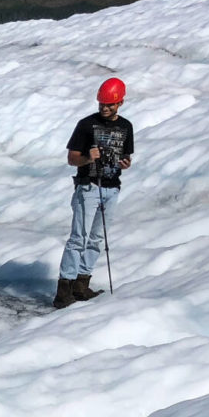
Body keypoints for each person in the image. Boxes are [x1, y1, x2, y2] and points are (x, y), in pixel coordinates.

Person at [55, 78, 134, 309]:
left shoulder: (126, 127)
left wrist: (125, 164)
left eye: (109, 105)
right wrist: (89, 158)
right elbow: (72, 159)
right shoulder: (86, 125)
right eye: (101, 104)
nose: (104, 108)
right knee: (78, 237)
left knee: (97, 238)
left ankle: (82, 285)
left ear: (120, 102)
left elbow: (126, 157)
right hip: (88, 186)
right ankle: (64, 289)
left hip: (112, 188)